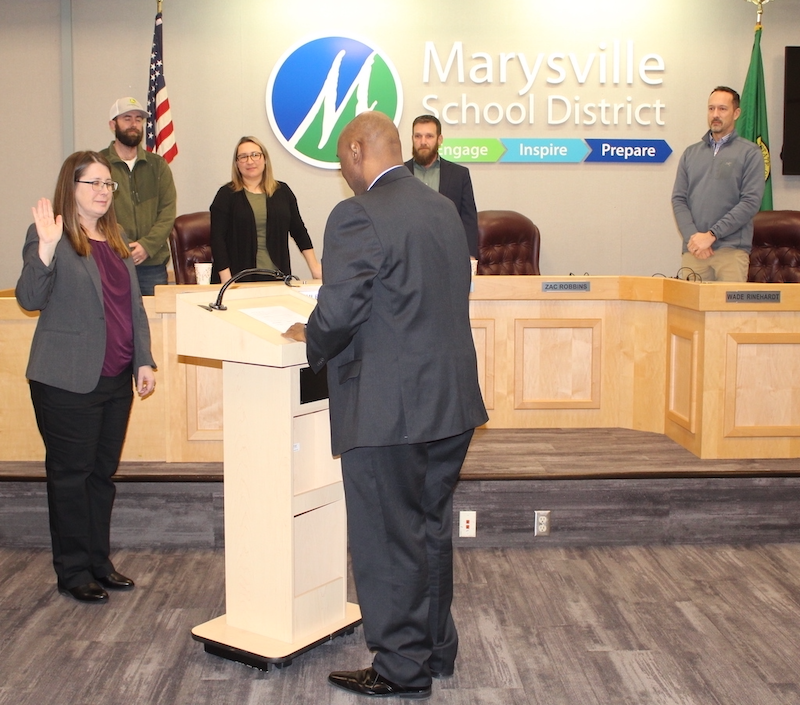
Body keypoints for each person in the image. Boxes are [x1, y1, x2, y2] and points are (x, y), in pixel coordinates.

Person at [284, 112, 488, 699]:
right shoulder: (442, 209)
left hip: (389, 409)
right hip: (450, 402)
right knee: (427, 530)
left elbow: (340, 311)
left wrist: (310, 336)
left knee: (387, 538)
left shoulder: (356, 214)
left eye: (340, 160)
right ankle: (435, 651)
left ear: (355, 150)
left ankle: (401, 668)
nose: (342, 172)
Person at [16, 151, 156, 603]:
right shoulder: (49, 235)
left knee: (100, 476)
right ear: (70, 188)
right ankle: (73, 571)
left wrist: (143, 360)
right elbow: (29, 298)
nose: (103, 191)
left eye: (107, 184)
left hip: (115, 378)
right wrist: (45, 248)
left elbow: (132, 307)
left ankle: (98, 562)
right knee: (70, 476)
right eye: (93, 183)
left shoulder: (118, 239)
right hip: (66, 379)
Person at [671, 86, 765, 282]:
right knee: (689, 303)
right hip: (695, 252)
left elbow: (750, 202)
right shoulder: (690, 153)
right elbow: (679, 199)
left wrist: (712, 235)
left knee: (729, 304)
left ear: (736, 113)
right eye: (711, 108)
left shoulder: (750, 153)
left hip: (731, 252)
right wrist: (694, 238)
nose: (715, 114)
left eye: (722, 109)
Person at [210, 136, 322, 283]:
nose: (250, 161)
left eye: (255, 155)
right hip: (238, 278)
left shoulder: (283, 192)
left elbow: (299, 231)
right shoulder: (226, 195)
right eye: (243, 157)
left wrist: (315, 267)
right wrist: (227, 279)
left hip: (277, 276)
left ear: (265, 159)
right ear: (237, 163)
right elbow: (217, 240)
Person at [101, 97, 177, 295]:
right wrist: (119, 246)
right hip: (111, 262)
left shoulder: (157, 165)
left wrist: (146, 246)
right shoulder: (99, 164)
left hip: (152, 266)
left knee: (155, 315)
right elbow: (92, 214)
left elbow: (167, 212)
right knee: (115, 315)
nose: (134, 124)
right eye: (127, 118)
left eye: (138, 119)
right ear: (112, 125)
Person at [405, 114, 479, 259]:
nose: (423, 142)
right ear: (412, 139)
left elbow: (468, 219)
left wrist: (470, 256)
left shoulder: (459, 174)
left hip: (448, 254)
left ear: (439, 139)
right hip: (408, 255)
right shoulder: (400, 173)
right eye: (418, 136)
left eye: (429, 136)